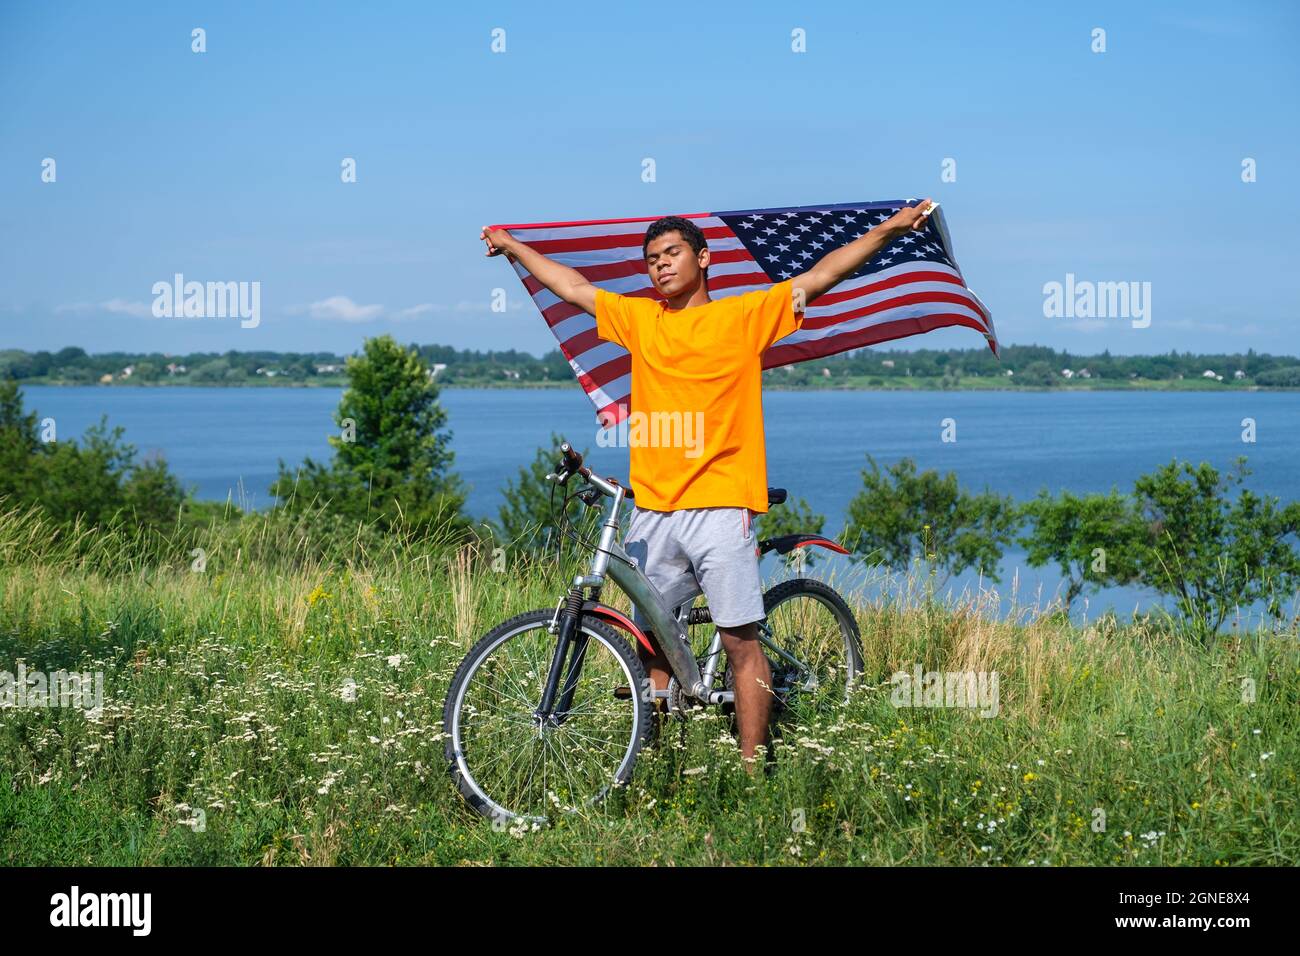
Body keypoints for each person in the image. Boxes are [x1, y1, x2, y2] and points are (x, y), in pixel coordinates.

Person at [480, 199, 935, 770]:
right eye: (651, 259)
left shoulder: (743, 317)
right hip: (655, 510)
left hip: (721, 505)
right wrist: (515, 248)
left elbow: (824, 273)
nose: (660, 265)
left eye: (672, 253)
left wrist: (890, 229)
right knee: (655, 646)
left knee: (742, 643)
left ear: (703, 258)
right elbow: (573, 287)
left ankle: (753, 773)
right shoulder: (642, 320)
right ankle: (658, 764)